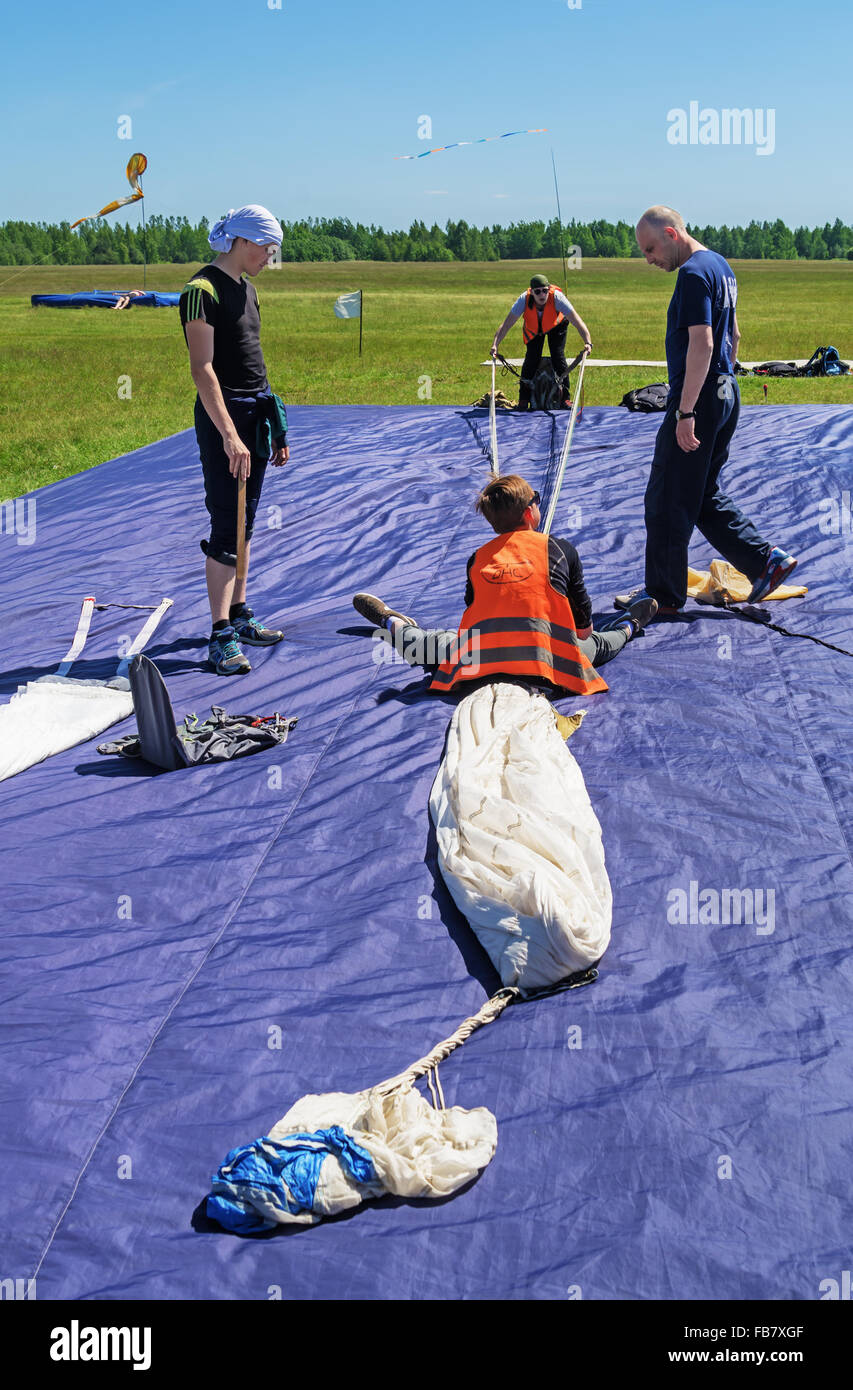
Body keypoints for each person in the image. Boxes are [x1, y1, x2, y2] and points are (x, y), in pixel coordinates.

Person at [615, 205, 796, 618]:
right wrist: (722, 387)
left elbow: (704, 344)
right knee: (698, 494)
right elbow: (735, 334)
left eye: (651, 248)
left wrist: (686, 411)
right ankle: (767, 561)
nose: (649, 259)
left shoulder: (694, 274)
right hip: (725, 392)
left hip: (700, 399)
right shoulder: (721, 267)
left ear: (672, 235)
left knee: (665, 498)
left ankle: (661, 595)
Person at [352, 474, 657, 697]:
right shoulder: (562, 549)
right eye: (536, 499)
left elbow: (474, 608)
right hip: (545, 663)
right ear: (529, 513)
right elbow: (582, 630)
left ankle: (389, 621)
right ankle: (631, 623)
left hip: (477, 663)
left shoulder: (477, 558)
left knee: (428, 643)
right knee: (600, 645)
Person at [179, 205, 290, 676]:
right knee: (227, 525)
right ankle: (219, 633)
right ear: (244, 241)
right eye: (267, 248)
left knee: (247, 521)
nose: (270, 257)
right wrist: (229, 434)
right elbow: (203, 370)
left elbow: (253, 362)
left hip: (255, 416)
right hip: (224, 420)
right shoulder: (199, 291)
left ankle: (240, 614)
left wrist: (274, 429)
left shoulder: (249, 289)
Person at [490, 273, 592, 411]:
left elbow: (577, 321)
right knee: (532, 358)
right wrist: (495, 344)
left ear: (549, 289)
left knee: (558, 356)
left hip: (557, 325)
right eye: (537, 291)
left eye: (545, 290)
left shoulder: (557, 298)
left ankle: (565, 399)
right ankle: (523, 399)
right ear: (531, 292)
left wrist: (588, 342)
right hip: (533, 329)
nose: (542, 294)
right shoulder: (523, 300)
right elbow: (506, 324)